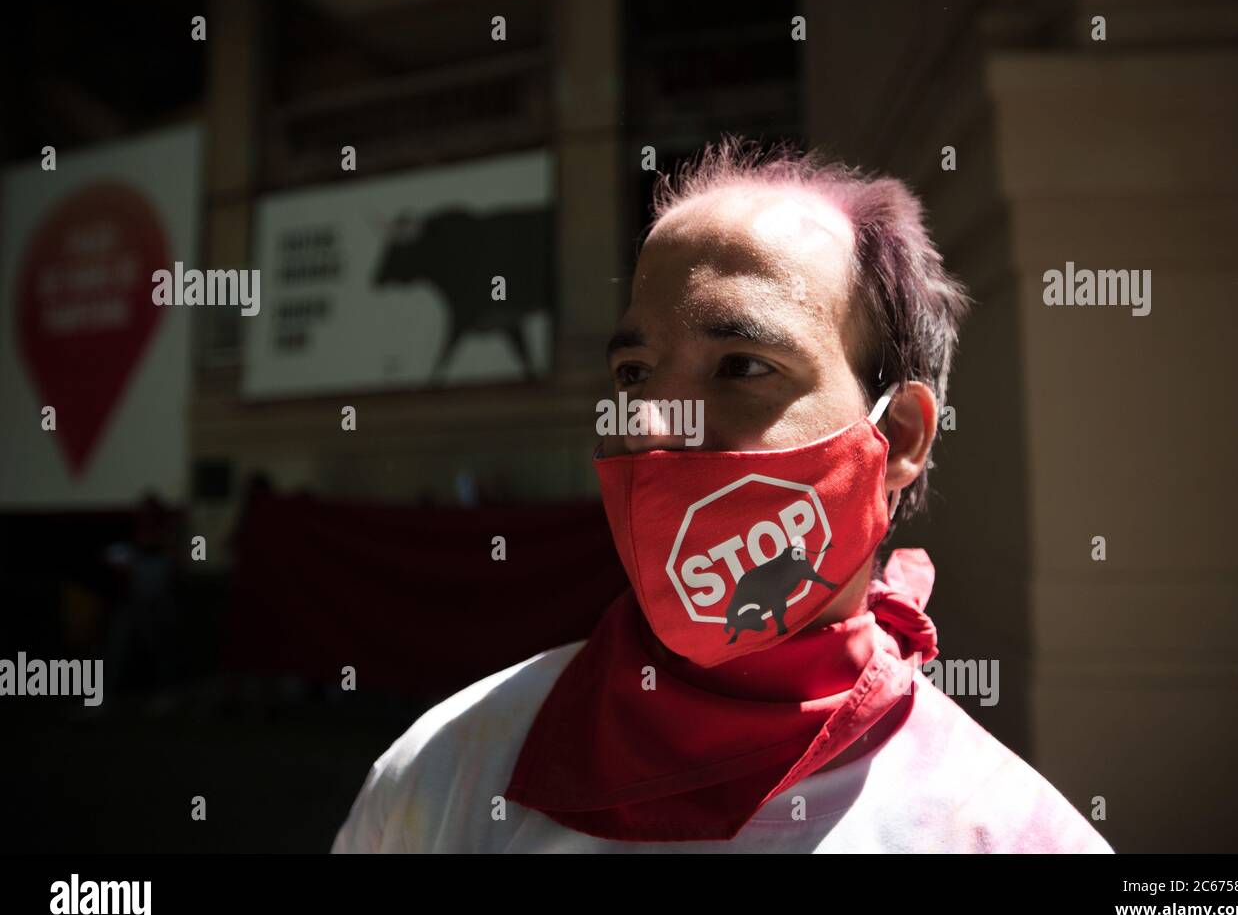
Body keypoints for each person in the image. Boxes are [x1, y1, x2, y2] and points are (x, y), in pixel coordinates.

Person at [331, 137, 1114, 853]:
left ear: (902, 436)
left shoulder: (1006, 832)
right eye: (633, 374)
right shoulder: (440, 773)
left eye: (740, 367)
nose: (647, 428)